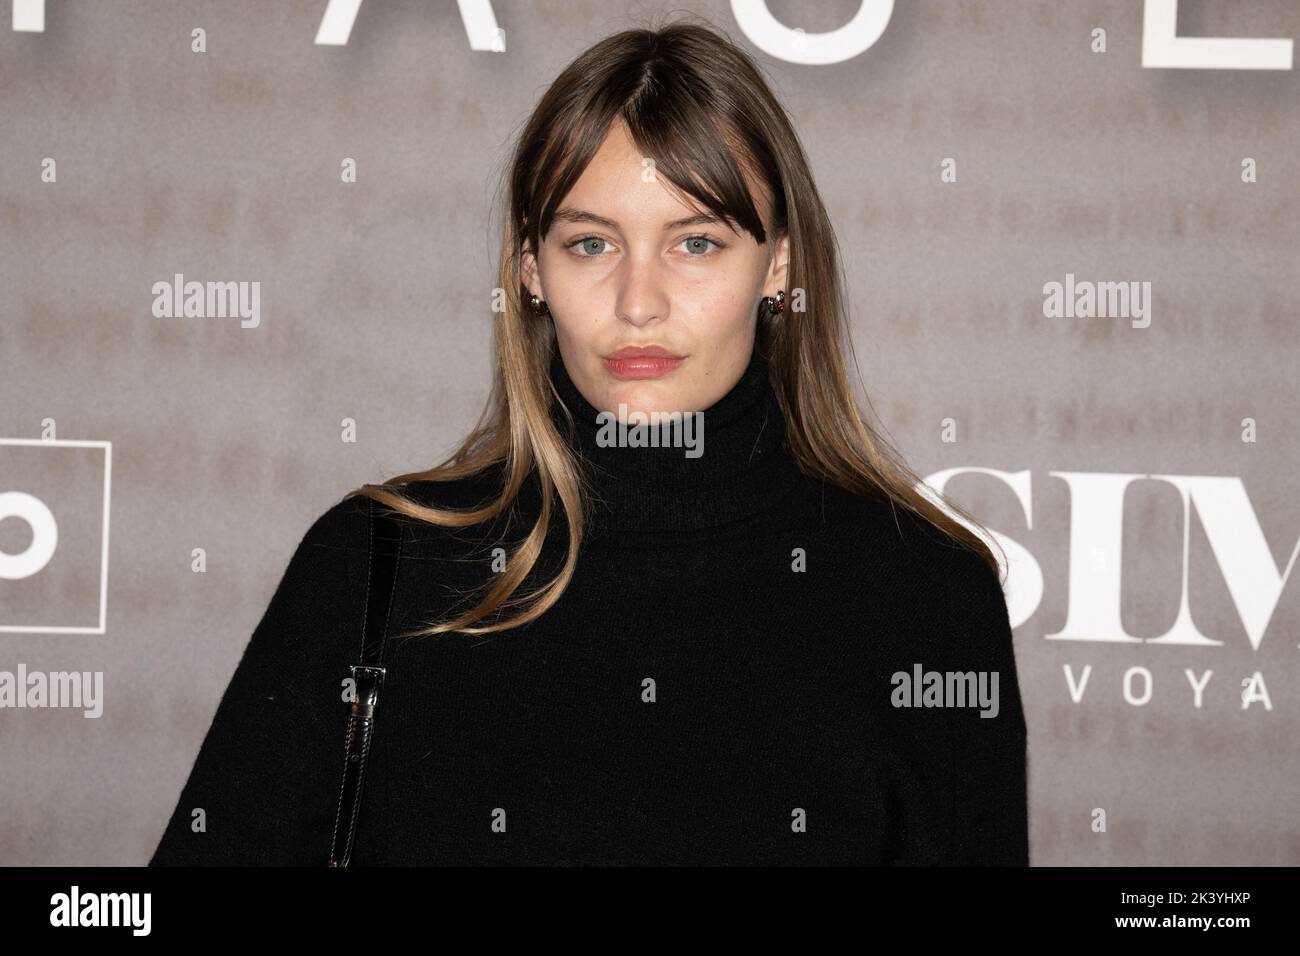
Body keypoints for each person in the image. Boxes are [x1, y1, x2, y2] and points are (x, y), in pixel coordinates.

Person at [150, 17, 1028, 866]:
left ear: (780, 265)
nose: (637, 301)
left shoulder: (929, 603)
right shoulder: (375, 569)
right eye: (590, 243)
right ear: (531, 268)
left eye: (695, 241)